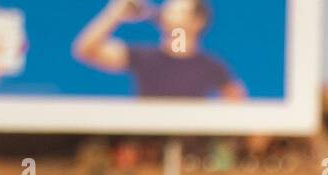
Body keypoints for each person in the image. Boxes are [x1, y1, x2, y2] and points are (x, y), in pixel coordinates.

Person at [73, 0, 246, 100]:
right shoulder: (143, 58)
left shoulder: (212, 67)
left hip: (192, 153)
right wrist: (114, 14)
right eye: (167, 9)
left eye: (177, 11)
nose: (167, 13)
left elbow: (237, 103)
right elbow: (86, 50)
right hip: (148, 149)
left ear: (197, 21)